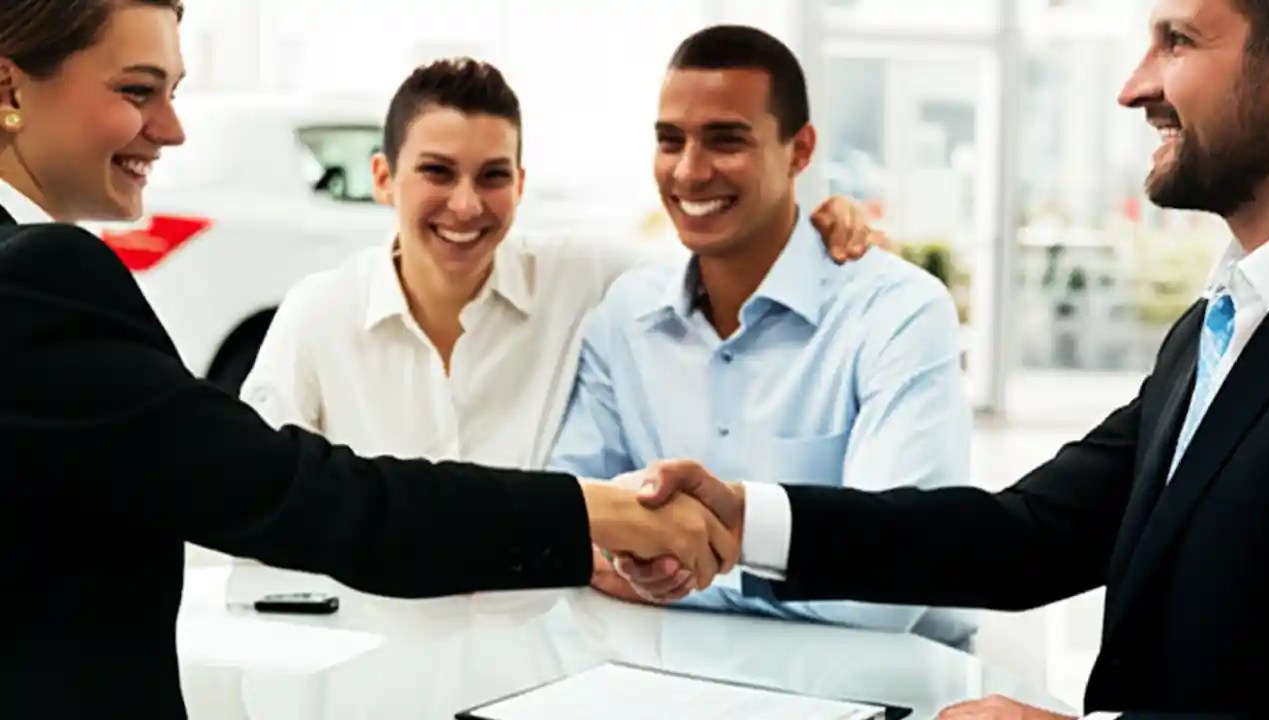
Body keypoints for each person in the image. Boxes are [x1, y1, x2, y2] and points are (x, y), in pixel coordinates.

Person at [0, 2, 736, 717]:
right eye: (136, 90)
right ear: (10, 91)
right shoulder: (42, 276)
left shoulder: (579, 277)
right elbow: (302, 495)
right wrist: (596, 513)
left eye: (174, 91)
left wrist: (830, 235)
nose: (172, 128)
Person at [628, 1, 1269, 716]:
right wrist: (744, 521)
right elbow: (1026, 535)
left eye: (1177, 43)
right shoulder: (1212, 327)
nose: (1132, 88)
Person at [546, 24, 975, 648]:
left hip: (872, 681)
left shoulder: (897, 314)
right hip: (663, 673)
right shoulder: (627, 313)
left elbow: (890, 583)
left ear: (800, 152)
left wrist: (671, 573)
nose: (690, 172)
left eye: (726, 141)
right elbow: (570, 519)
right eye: (671, 141)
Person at [238, 57, 875, 470]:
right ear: (384, 178)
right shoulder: (318, 314)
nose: (465, 205)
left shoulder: (580, 279)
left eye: (491, 177)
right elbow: (251, 493)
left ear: (520, 184)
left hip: (535, 646)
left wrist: (823, 221)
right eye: (437, 172)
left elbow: (721, 251)